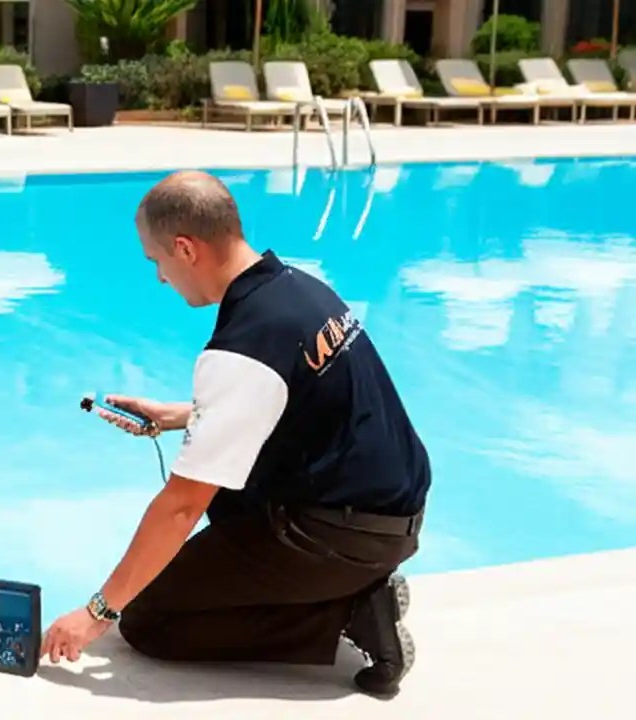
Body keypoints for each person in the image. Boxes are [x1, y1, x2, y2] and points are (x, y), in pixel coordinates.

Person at [39, 170, 430, 698]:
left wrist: (97, 612)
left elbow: (181, 505)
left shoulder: (243, 345)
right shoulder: (299, 288)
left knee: (150, 618)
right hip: (391, 518)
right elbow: (292, 403)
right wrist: (183, 416)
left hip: (339, 536)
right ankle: (350, 588)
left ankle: (350, 610)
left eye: (157, 261)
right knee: (224, 510)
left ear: (185, 248)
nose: (159, 277)